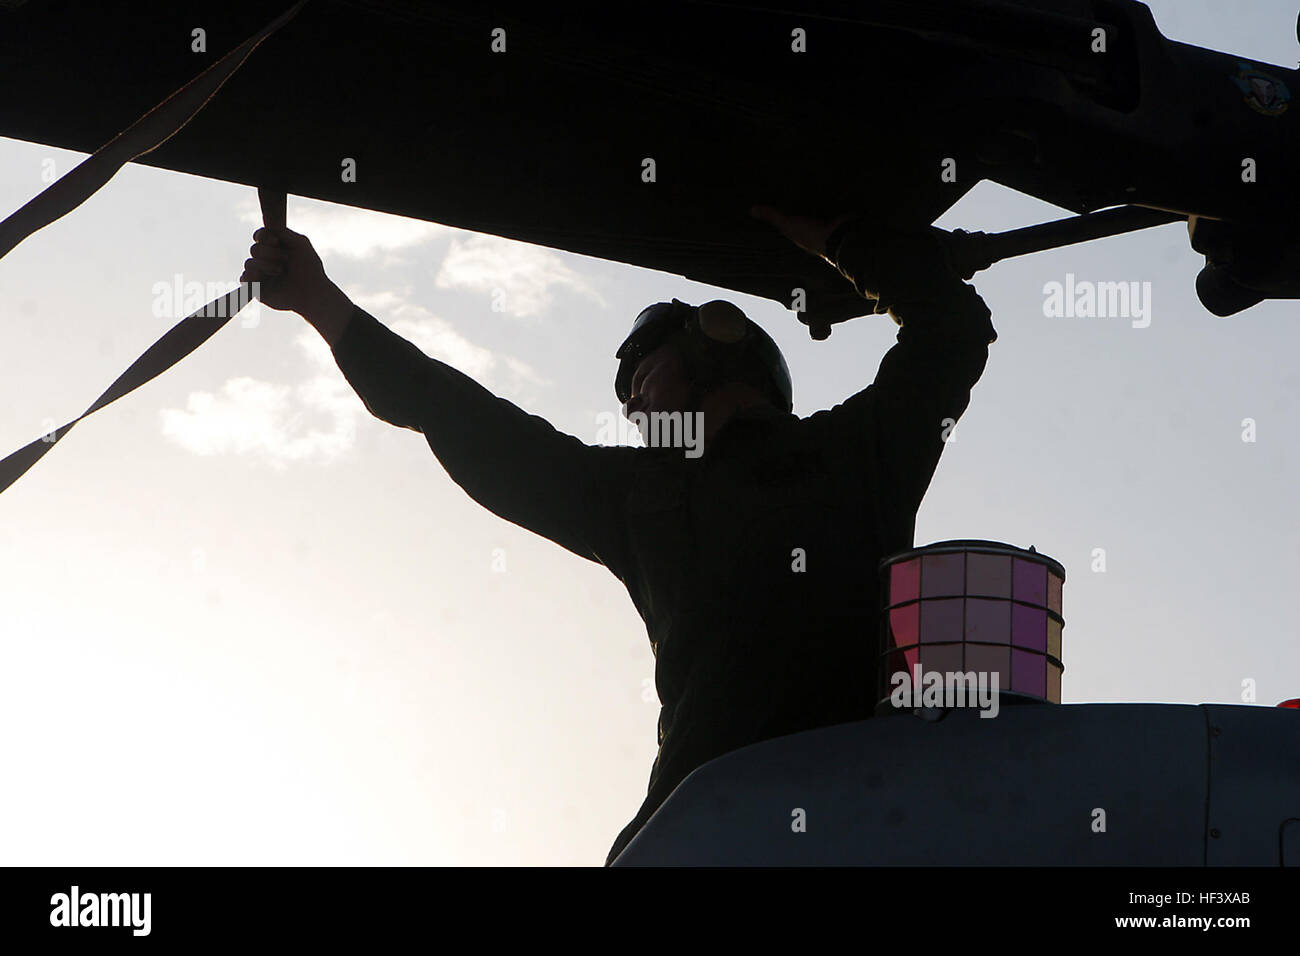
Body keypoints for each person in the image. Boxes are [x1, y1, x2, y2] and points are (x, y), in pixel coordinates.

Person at [240, 206, 997, 865]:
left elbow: (951, 327)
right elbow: (463, 419)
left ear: (717, 346)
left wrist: (840, 236)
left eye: (645, 380)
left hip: (847, 818)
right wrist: (320, 301)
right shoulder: (638, 498)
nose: (634, 408)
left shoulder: (861, 451)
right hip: (706, 826)